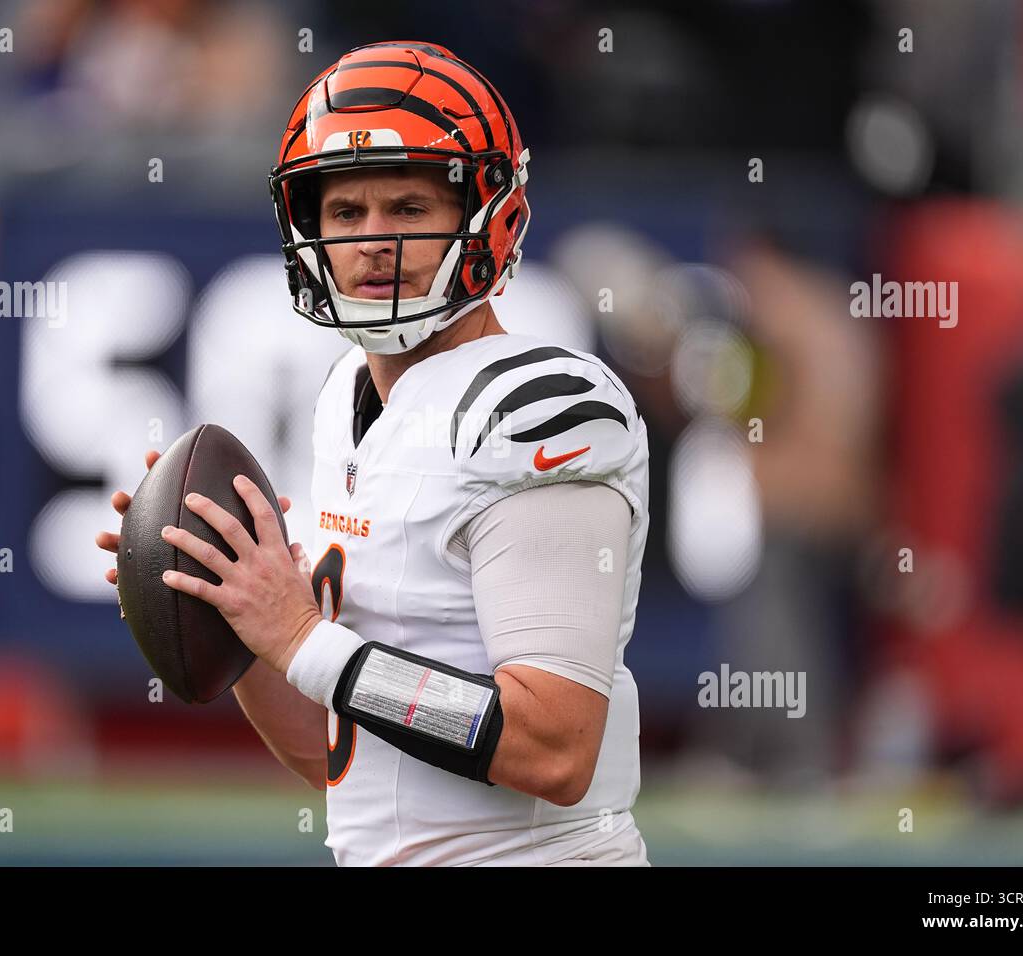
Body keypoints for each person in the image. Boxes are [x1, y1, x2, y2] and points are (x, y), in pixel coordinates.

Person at [98, 41, 650, 866]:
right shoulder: (344, 397)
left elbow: (555, 750)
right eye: (347, 213)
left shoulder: (538, 406)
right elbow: (340, 757)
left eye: (407, 207)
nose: (372, 240)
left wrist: (301, 638)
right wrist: (239, 619)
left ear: (488, 213)